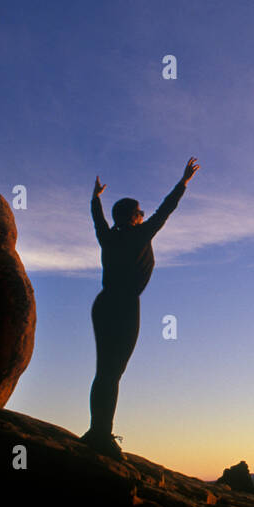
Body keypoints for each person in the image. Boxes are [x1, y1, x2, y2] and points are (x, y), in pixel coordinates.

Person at [81, 157, 199, 459]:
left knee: (104, 372)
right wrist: (183, 181)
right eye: (139, 213)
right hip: (123, 306)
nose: (143, 215)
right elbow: (165, 210)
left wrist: (95, 199)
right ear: (133, 217)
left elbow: (98, 220)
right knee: (112, 373)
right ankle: (101, 435)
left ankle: (98, 429)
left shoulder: (108, 237)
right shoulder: (139, 234)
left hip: (104, 304)